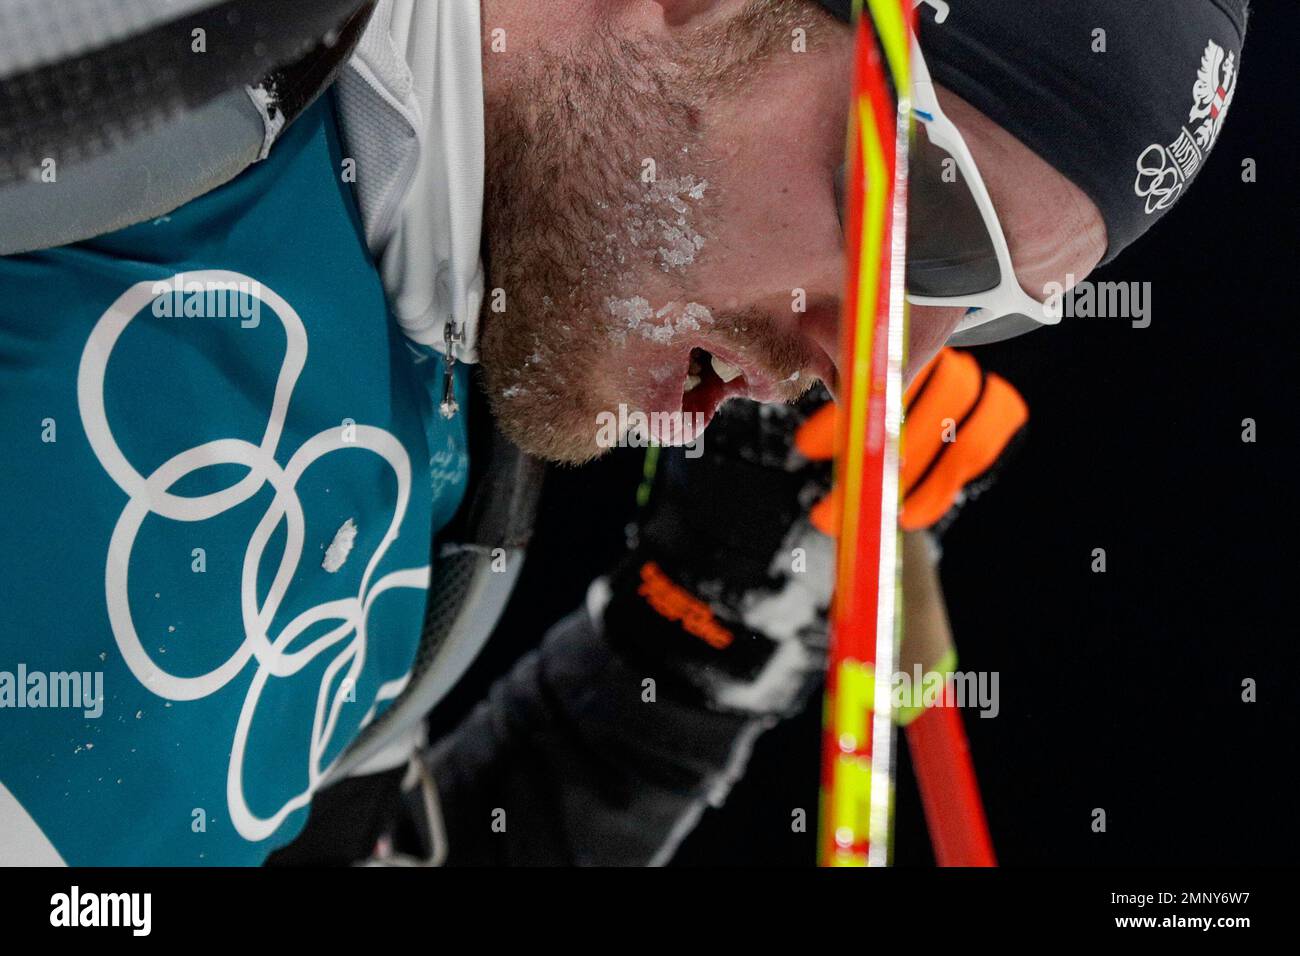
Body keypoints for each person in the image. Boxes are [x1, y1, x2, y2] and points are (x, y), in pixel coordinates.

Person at [0, 0, 1247, 865]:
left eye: (978, 314)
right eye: (926, 231)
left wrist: (676, 663)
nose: (868, 369)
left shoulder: (444, 487)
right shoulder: (142, 63)